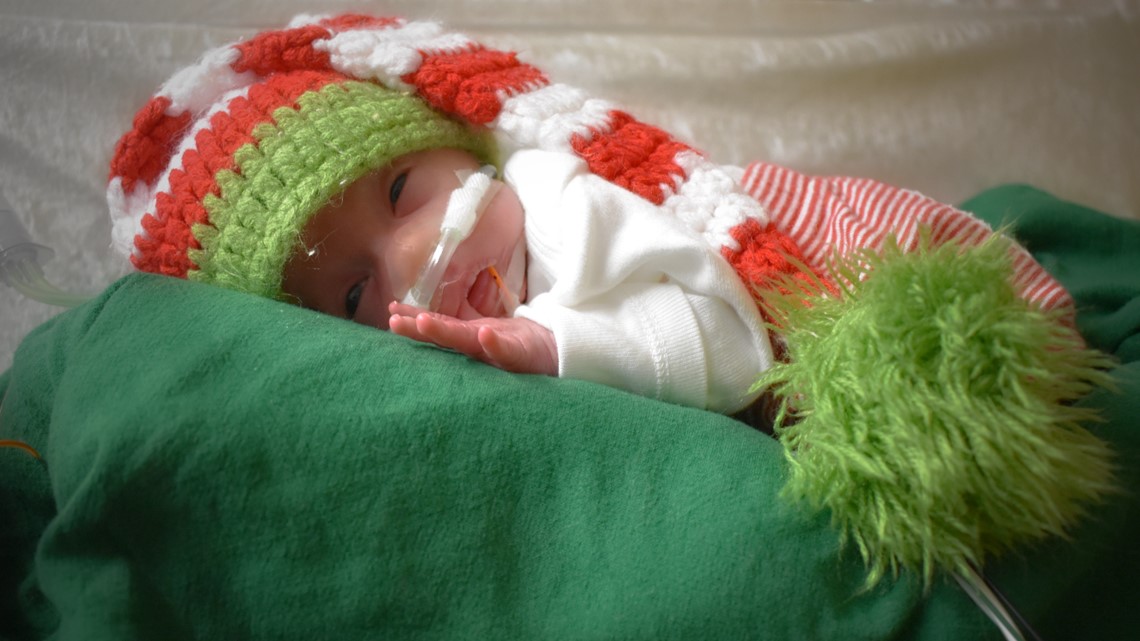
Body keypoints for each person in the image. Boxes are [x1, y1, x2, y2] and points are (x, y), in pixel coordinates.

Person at [106, 13, 1073, 420]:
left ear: (467, 144)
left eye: (403, 191)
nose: (414, 260)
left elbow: (726, 332)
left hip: (891, 283)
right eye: (356, 291)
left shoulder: (567, 203)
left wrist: (559, 343)